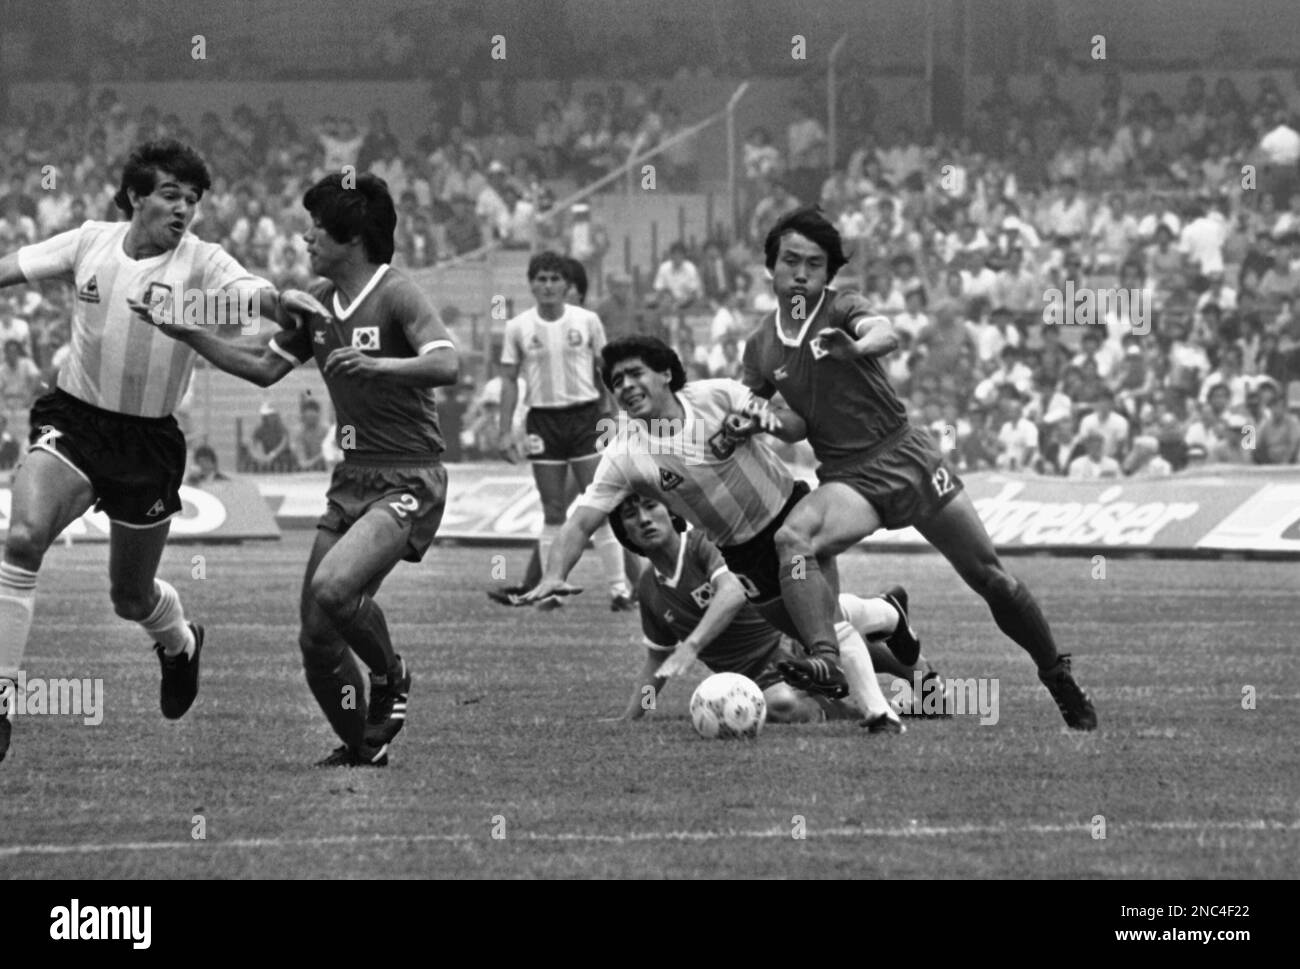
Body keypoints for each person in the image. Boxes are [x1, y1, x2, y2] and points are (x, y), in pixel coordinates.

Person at [0, 138, 323, 763]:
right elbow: (9, 267)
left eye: (193, 200)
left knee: (129, 597)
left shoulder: (201, 262)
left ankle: (179, 642)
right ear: (135, 197)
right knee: (20, 540)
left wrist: (284, 300)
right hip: (75, 422)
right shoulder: (88, 242)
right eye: (170, 195)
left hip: (147, 445)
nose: (183, 210)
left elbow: (253, 293)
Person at [134, 172, 459, 767]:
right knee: (315, 638)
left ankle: (393, 675)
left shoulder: (397, 293)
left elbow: (448, 362)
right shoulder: (315, 302)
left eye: (316, 226)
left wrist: (377, 367)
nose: (305, 236)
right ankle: (365, 748)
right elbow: (261, 368)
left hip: (410, 476)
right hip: (353, 479)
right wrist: (186, 331)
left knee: (335, 588)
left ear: (352, 235)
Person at [739, 205, 1096, 730]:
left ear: (827, 275)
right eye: (790, 261)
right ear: (770, 267)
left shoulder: (841, 309)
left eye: (814, 264)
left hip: (907, 456)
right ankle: (826, 658)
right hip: (846, 477)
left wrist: (855, 347)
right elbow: (789, 422)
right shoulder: (761, 346)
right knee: (794, 541)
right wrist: (759, 418)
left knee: (991, 579)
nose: (800, 273)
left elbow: (886, 333)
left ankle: (1055, 673)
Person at [522, 335, 910, 734]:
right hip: (742, 553)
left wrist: (763, 420)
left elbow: (794, 425)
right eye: (616, 381)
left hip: (791, 516)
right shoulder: (625, 455)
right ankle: (886, 614)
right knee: (815, 622)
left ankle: (881, 716)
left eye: (634, 373)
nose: (625, 386)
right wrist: (554, 575)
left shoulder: (717, 395)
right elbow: (580, 521)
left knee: (818, 617)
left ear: (666, 374)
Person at [609, 493, 947, 722]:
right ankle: (860, 708)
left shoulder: (702, 543)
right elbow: (657, 659)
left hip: (786, 634)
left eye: (650, 506)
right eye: (630, 514)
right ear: (623, 532)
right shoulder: (649, 589)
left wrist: (693, 645)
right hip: (756, 678)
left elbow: (733, 591)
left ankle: (921, 680)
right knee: (781, 705)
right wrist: (631, 717)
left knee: (826, 629)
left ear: (669, 510)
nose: (643, 519)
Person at [490, 252, 632, 610]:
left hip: (585, 419)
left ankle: (619, 590)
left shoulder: (587, 321)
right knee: (553, 509)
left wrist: (614, 415)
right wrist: (505, 431)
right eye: (541, 279)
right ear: (531, 284)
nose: (548, 285)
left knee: (599, 504)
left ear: (566, 286)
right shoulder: (517, 327)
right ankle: (549, 590)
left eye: (555, 279)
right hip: (543, 421)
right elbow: (508, 380)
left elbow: (606, 370)